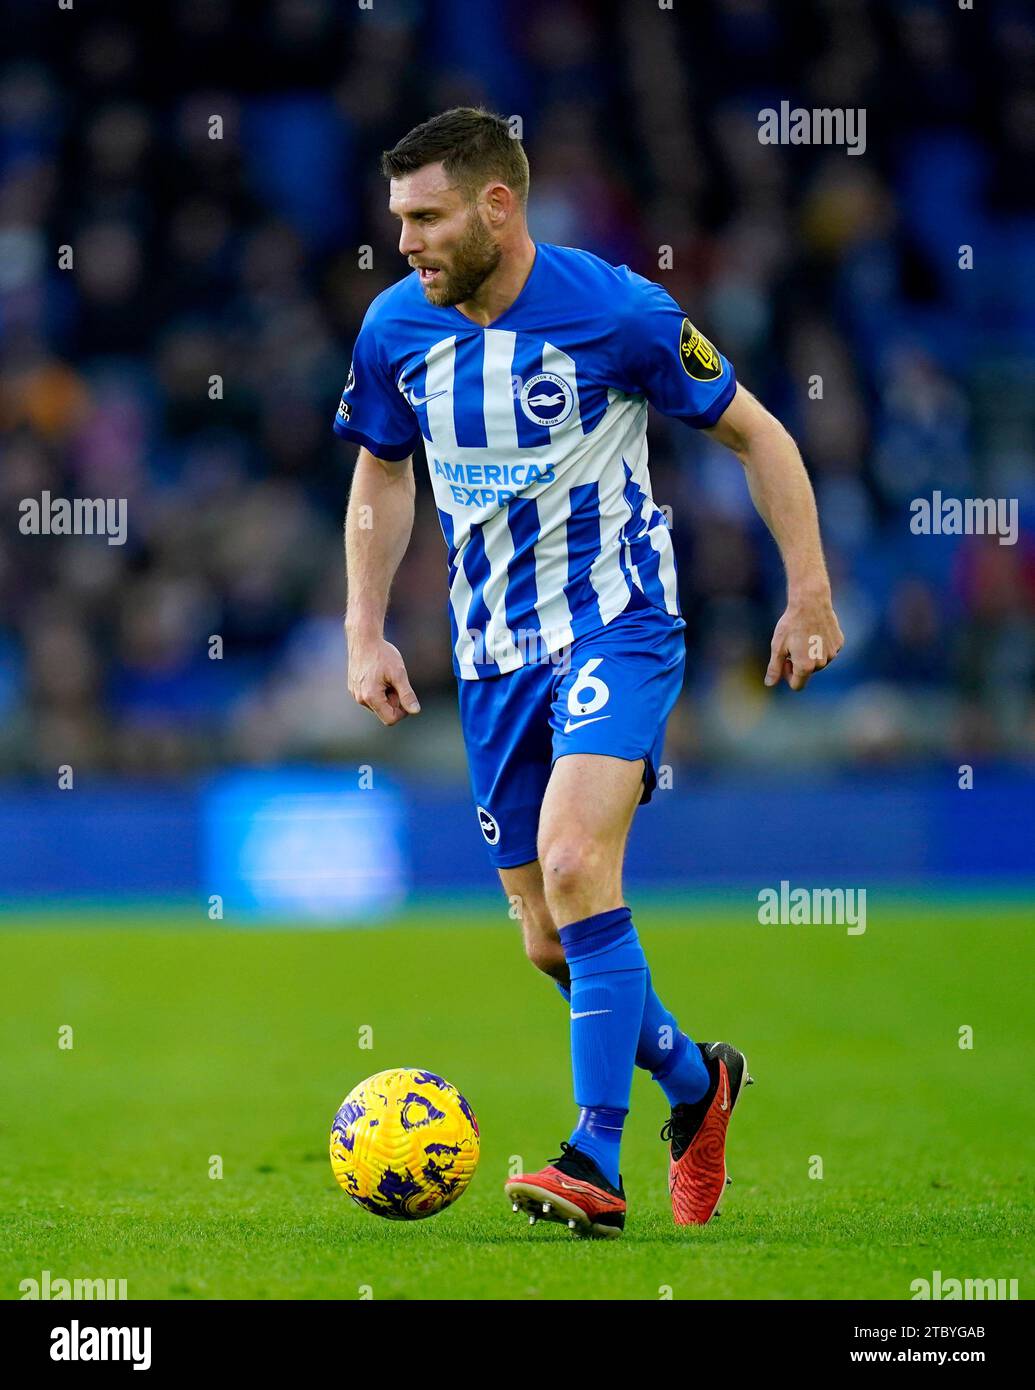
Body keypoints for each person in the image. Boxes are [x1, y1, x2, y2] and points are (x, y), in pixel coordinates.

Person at [337, 107, 843, 1238]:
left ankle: (592, 1158)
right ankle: (698, 1083)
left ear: (497, 205)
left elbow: (760, 433)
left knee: (574, 860)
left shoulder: (617, 310)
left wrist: (808, 592)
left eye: (426, 218)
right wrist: (364, 629)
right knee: (547, 938)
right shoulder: (393, 327)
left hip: (618, 627)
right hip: (490, 658)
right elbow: (382, 472)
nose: (405, 243)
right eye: (398, 219)